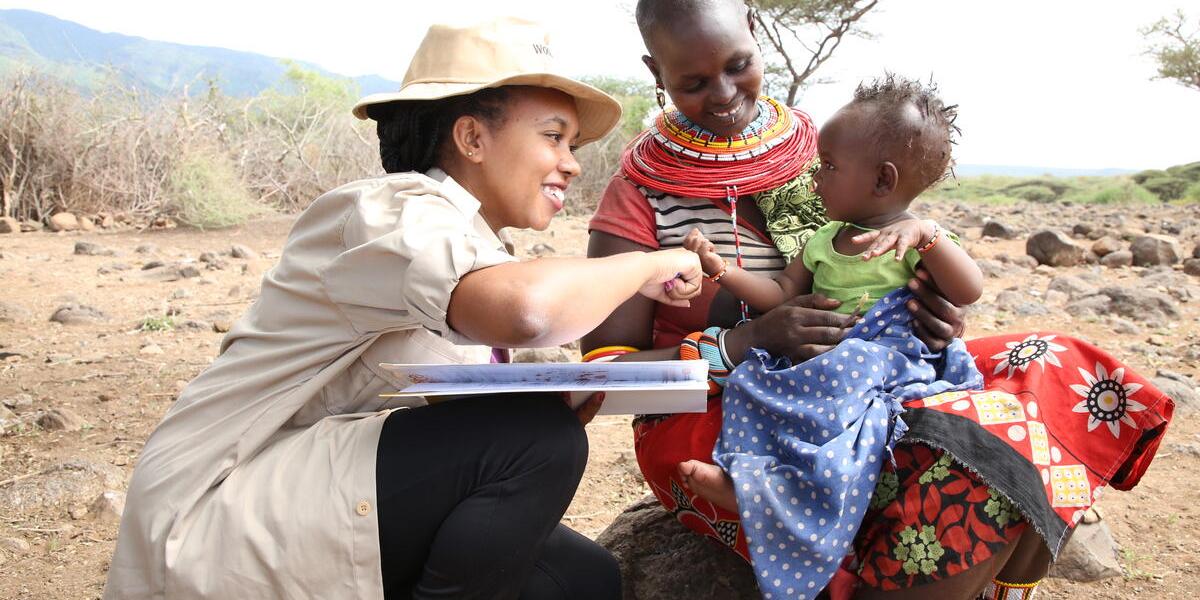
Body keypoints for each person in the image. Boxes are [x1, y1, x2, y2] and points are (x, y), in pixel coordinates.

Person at [583, 1, 1175, 599]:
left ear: (757, 35)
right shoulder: (638, 195)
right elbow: (603, 380)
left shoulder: (835, 151)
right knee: (976, 452)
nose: (723, 93)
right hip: (733, 408)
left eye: (738, 64)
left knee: (1052, 360)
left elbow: (901, 269)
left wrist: (936, 316)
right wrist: (742, 342)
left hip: (875, 372)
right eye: (692, 81)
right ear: (654, 71)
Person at [105, 18, 703, 600]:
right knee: (540, 441)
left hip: (318, 487)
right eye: (553, 137)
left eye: (571, 144)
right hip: (220, 506)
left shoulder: (470, 242)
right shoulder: (389, 211)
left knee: (582, 579)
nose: (571, 162)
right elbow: (530, 313)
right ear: (472, 138)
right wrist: (648, 264)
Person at [670, 77, 987, 597]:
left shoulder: (917, 238)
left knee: (848, 374)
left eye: (829, 167)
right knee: (754, 381)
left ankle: (790, 493)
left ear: (883, 181)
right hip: (829, 360)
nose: (815, 178)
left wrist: (928, 237)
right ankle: (754, 481)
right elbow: (778, 293)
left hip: (884, 359)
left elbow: (968, 290)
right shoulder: (821, 240)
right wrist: (721, 269)